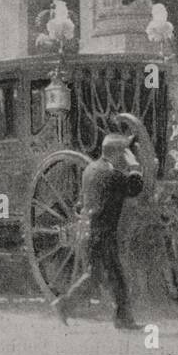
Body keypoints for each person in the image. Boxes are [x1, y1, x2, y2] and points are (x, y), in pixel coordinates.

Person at [52, 133, 144, 330]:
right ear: (119, 153)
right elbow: (135, 188)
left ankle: (121, 318)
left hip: (92, 231)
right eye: (125, 152)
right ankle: (65, 305)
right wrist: (135, 166)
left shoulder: (91, 169)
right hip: (103, 234)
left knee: (105, 276)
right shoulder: (112, 175)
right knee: (106, 277)